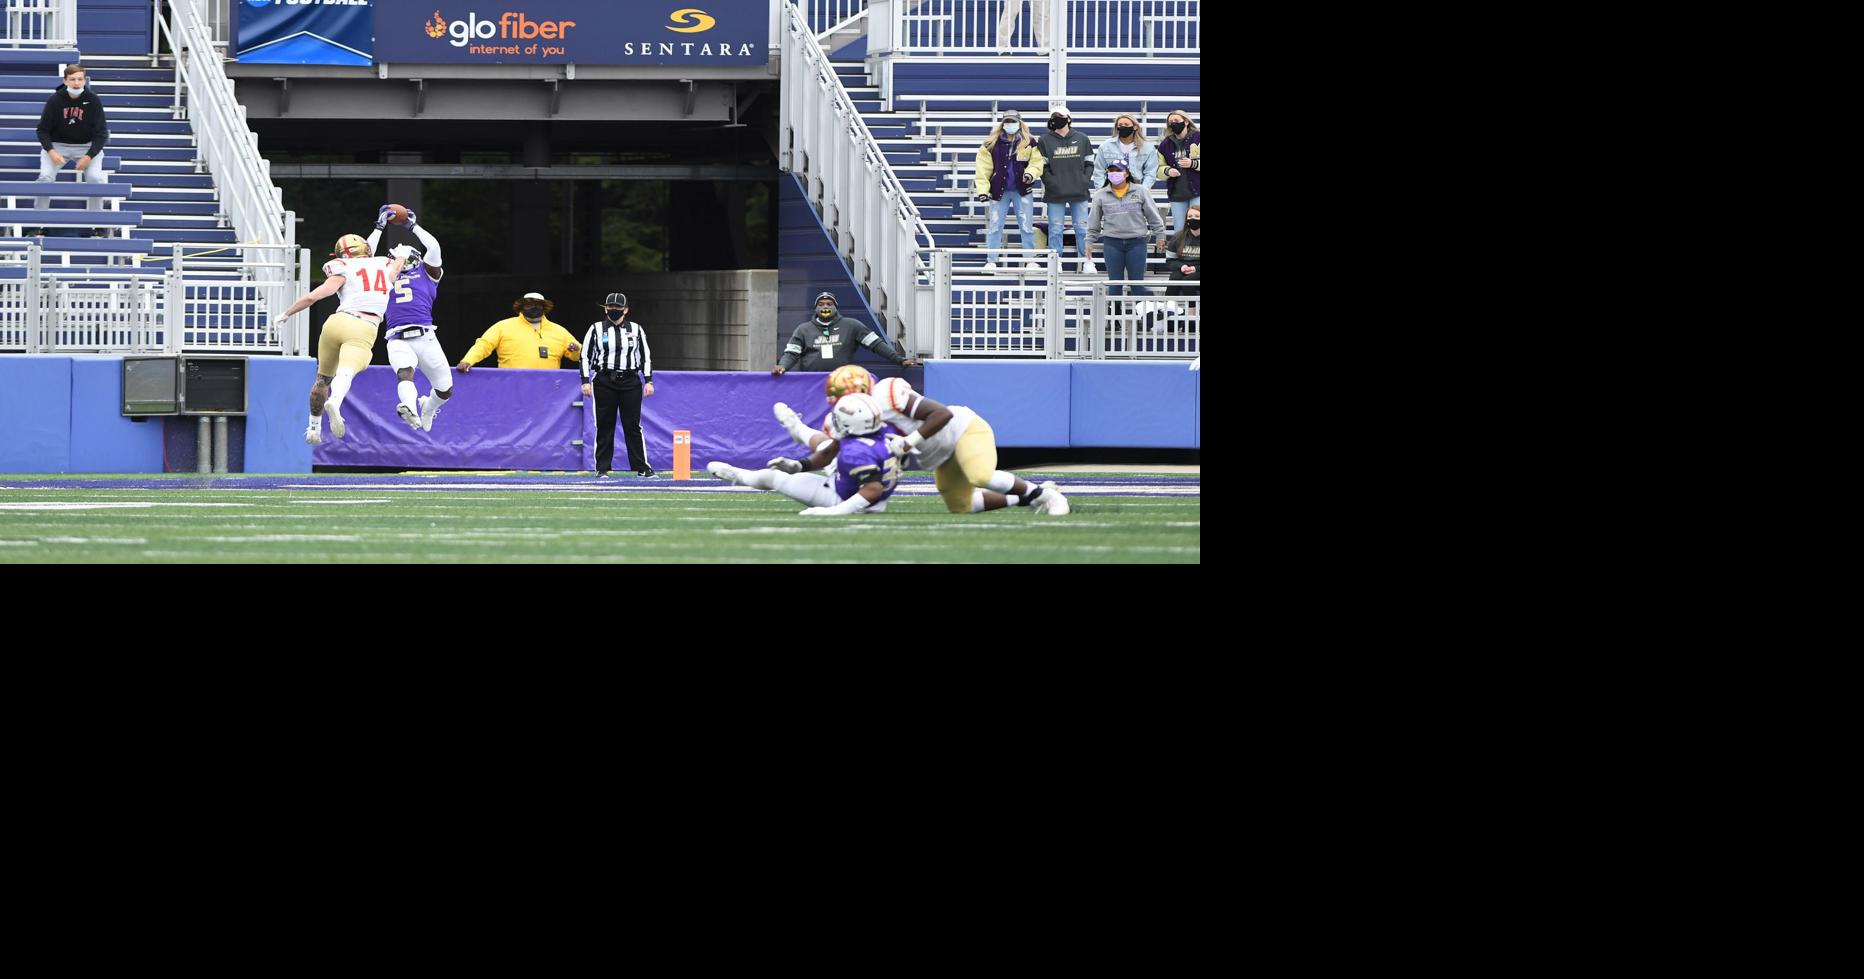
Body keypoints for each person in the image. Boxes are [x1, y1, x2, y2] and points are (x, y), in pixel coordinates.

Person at [769, 374, 1070, 516]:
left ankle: (1049, 497)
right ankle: (1028, 497)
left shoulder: (888, 394)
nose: (841, 405)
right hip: (939, 455)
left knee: (980, 475)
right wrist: (801, 465)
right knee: (963, 507)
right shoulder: (852, 417)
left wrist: (908, 442)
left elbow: (942, 414)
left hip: (963, 430)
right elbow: (833, 449)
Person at [273, 234, 410, 446]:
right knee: (347, 371)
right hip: (363, 326)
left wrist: (286, 314)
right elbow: (393, 272)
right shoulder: (384, 264)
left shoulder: (343, 267)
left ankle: (313, 428)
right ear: (366, 249)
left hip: (335, 322)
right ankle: (335, 402)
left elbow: (313, 296)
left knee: (322, 379)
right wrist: (401, 255)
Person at [707, 393, 904, 516]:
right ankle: (797, 427)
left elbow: (872, 489)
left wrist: (834, 512)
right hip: (854, 483)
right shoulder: (880, 431)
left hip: (849, 499)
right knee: (825, 443)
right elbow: (830, 451)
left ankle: (740, 476)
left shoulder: (857, 452)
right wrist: (800, 465)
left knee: (771, 476)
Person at [364, 205, 454, 432]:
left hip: (426, 337)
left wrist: (412, 226)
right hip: (397, 337)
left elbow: (434, 246)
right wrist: (379, 227)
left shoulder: (427, 272)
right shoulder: (384, 276)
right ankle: (409, 407)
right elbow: (365, 258)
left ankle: (428, 407)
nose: (397, 261)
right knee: (405, 373)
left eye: (400, 258)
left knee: (445, 390)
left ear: (413, 258)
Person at [579, 292, 658, 478]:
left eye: (618, 307)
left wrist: (648, 380)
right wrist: (585, 381)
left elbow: (645, 356)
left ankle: (642, 467)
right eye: (610, 306)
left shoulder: (636, 329)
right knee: (605, 424)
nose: (614, 309)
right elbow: (585, 356)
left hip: (630, 381)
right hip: (604, 380)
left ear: (626, 310)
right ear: (605, 308)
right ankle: (603, 468)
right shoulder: (596, 329)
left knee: (633, 425)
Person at [33, 64, 110, 234]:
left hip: (86, 146)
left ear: (85, 80)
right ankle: (37, 224)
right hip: (58, 145)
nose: (76, 83)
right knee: (45, 178)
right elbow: (42, 130)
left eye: (80, 79)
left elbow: (101, 133)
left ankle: (98, 224)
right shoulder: (54, 100)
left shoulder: (93, 100)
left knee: (95, 179)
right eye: (72, 79)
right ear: (65, 81)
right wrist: (51, 151)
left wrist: (89, 156)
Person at [771, 292, 920, 374]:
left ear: (836, 307)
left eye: (829, 304)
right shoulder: (803, 329)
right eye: (821, 304)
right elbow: (791, 353)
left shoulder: (851, 325)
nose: (825, 307)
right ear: (815, 308)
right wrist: (782, 366)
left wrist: (899, 359)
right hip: (812, 382)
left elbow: (876, 344)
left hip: (842, 381)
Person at [973, 109, 1046, 272]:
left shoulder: (1029, 142)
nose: (1010, 124)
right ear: (1002, 123)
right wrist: (983, 190)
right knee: (995, 226)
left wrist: (1030, 174)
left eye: (1013, 121)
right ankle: (991, 260)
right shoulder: (990, 144)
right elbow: (983, 168)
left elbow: (1036, 162)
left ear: (1019, 123)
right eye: (1007, 121)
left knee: (1026, 226)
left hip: (1022, 190)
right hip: (999, 191)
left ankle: (1030, 259)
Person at [1087, 160, 1166, 297]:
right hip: (1112, 242)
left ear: (1127, 173)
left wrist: (1160, 235)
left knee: (1137, 283)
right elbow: (1094, 220)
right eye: (1111, 171)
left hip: (1137, 242)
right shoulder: (1100, 195)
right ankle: (1115, 311)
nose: (1114, 173)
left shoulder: (1141, 191)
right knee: (1114, 284)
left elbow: (1153, 215)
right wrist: (1089, 241)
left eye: (1118, 171)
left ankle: (1141, 309)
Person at [1033, 105, 1098, 272]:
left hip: (1079, 191)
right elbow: (1043, 167)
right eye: (1054, 117)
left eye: (1060, 116)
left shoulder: (1082, 138)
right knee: (1055, 228)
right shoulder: (1044, 140)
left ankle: (1087, 261)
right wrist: (1053, 183)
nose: (1057, 120)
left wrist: (1084, 180)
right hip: (1055, 194)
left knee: (1082, 228)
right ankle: (1056, 261)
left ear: (1069, 119)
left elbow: (1090, 163)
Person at [456, 292, 581, 372]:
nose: (534, 307)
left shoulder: (559, 331)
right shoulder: (503, 326)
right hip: (512, 386)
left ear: (544, 308)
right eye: (529, 305)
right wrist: (468, 360)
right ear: (521, 308)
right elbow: (484, 345)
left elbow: (580, 355)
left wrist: (576, 349)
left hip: (548, 388)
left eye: (538, 305)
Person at [1156, 110, 1201, 259]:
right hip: (1177, 193)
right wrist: (1168, 171)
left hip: (1197, 191)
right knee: (1180, 230)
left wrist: (1194, 164)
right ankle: (1180, 261)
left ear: (1186, 121)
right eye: (1170, 122)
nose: (1173, 124)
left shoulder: (1198, 137)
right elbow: (1158, 169)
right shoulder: (1165, 144)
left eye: (1176, 121)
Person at [1091, 113, 1157, 193]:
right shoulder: (1106, 146)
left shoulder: (1147, 147)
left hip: (1137, 190)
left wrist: (1143, 191)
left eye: (1126, 124)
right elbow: (1099, 171)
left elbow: (1150, 172)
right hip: (1112, 190)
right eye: (1120, 125)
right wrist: (1102, 191)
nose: (1123, 127)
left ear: (1135, 127)